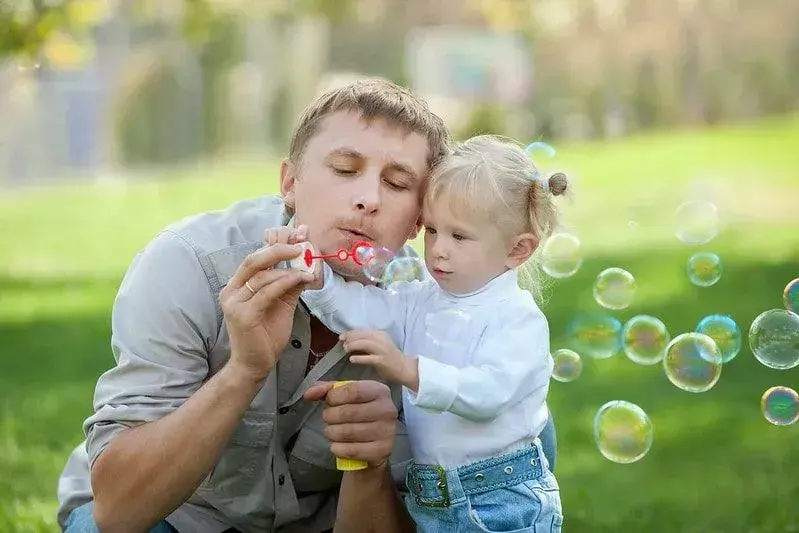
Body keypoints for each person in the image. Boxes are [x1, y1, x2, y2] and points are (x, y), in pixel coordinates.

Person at [55, 79, 558, 533]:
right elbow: (118, 513)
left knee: (532, 431)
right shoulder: (189, 266)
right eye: (345, 168)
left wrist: (370, 465)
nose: (368, 198)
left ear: (418, 222)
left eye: (398, 183)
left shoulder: (433, 315)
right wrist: (244, 371)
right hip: (178, 517)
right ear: (290, 183)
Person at [297, 135, 567, 532]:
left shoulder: (516, 319)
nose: (438, 250)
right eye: (433, 231)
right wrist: (315, 278)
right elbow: (364, 312)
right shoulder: (421, 297)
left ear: (518, 250)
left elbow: (489, 393)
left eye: (459, 236)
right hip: (434, 498)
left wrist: (408, 370)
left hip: (501, 499)